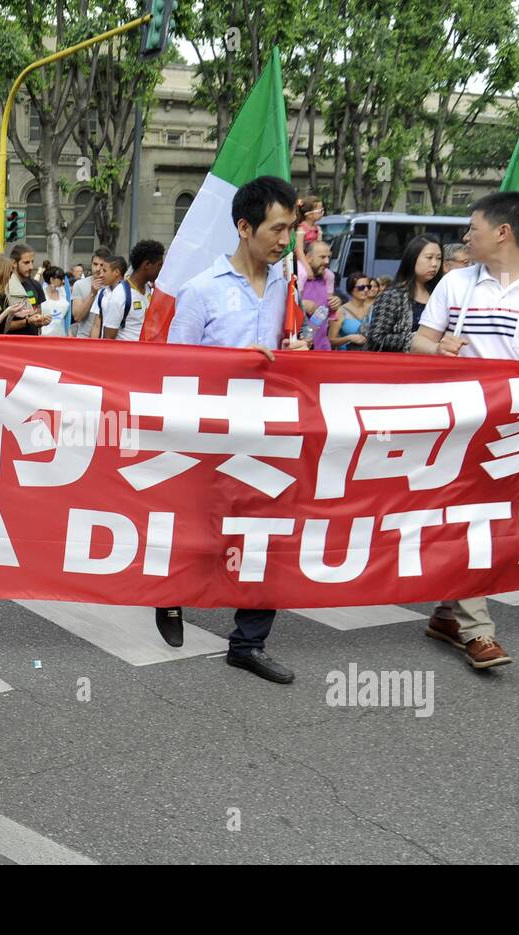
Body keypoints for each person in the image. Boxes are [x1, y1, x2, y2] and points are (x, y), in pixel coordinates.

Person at [411, 191, 519, 671]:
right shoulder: (456, 284)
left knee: (498, 521)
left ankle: (448, 614)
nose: (467, 236)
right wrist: (436, 350)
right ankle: (478, 631)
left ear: (503, 233)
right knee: (474, 518)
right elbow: (418, 341)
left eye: (474, 227)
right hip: (464, 422)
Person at [166, 175, 309, 684]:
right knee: (200, 534)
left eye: (290, 229)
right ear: (245, 227)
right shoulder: (201, 291)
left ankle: (249, 643)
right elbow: (176, 369)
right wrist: (235, 364)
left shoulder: (283, 285)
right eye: (277, 228)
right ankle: (170, 592)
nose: (285, 240)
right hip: (210, 436)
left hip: (265, 434)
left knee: (265, 538)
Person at [366, 235, 443, 352]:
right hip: (400, 365)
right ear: (412, 258)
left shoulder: (439, 293)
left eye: (438, 258)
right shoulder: (393, 296)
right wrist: (417, 341)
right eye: (429, 257)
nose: (434, 264)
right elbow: (375, 339)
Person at [99, 240, 163, 341]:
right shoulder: (120, 294)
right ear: (146, 265)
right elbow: (108, 339)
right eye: (159, 265)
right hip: (126, 356)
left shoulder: (150, 290)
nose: (161, 269)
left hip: (147, 355)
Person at [82, 255, 128, 339]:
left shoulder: (130, 293)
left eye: (104, 271)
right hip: (107, 347)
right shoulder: (102, 293)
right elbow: (96, 325)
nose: (101, 275)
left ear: (116, 272)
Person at [70, 246, 112, 336]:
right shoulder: (79, 284)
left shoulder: (115, 286)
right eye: (95, 264)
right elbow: (77, 317)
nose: (97, 269)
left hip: (108, 341)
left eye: (102, 265)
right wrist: (92, 293)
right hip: (84, 340)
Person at [328, 272, 375, 349]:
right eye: (361, 287)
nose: (366, 290)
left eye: (368, 287)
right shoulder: (341, 311)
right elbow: (330, 341)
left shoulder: (373, 309)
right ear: (351, 289)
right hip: (347, 357)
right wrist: (348, 338)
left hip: (368, 356)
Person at [7, 243, 47, 326]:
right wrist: (27, 322)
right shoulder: (4, 287)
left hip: (34, 338)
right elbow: (1, 326)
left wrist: (42, 320)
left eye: (32, 262)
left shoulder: (36, 285)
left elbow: (38, 315)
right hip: (13, 338)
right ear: (14, 263)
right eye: (26, 263)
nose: (31, 267)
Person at [39, 265, 72, 336]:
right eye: (60, 278)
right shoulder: (41, 292)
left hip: (61, 335)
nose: (63, 281)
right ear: (52, 280)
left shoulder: (64, 291)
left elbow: (68, 315)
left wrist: (69, 333)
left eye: (63, 278)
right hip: (44, 336)